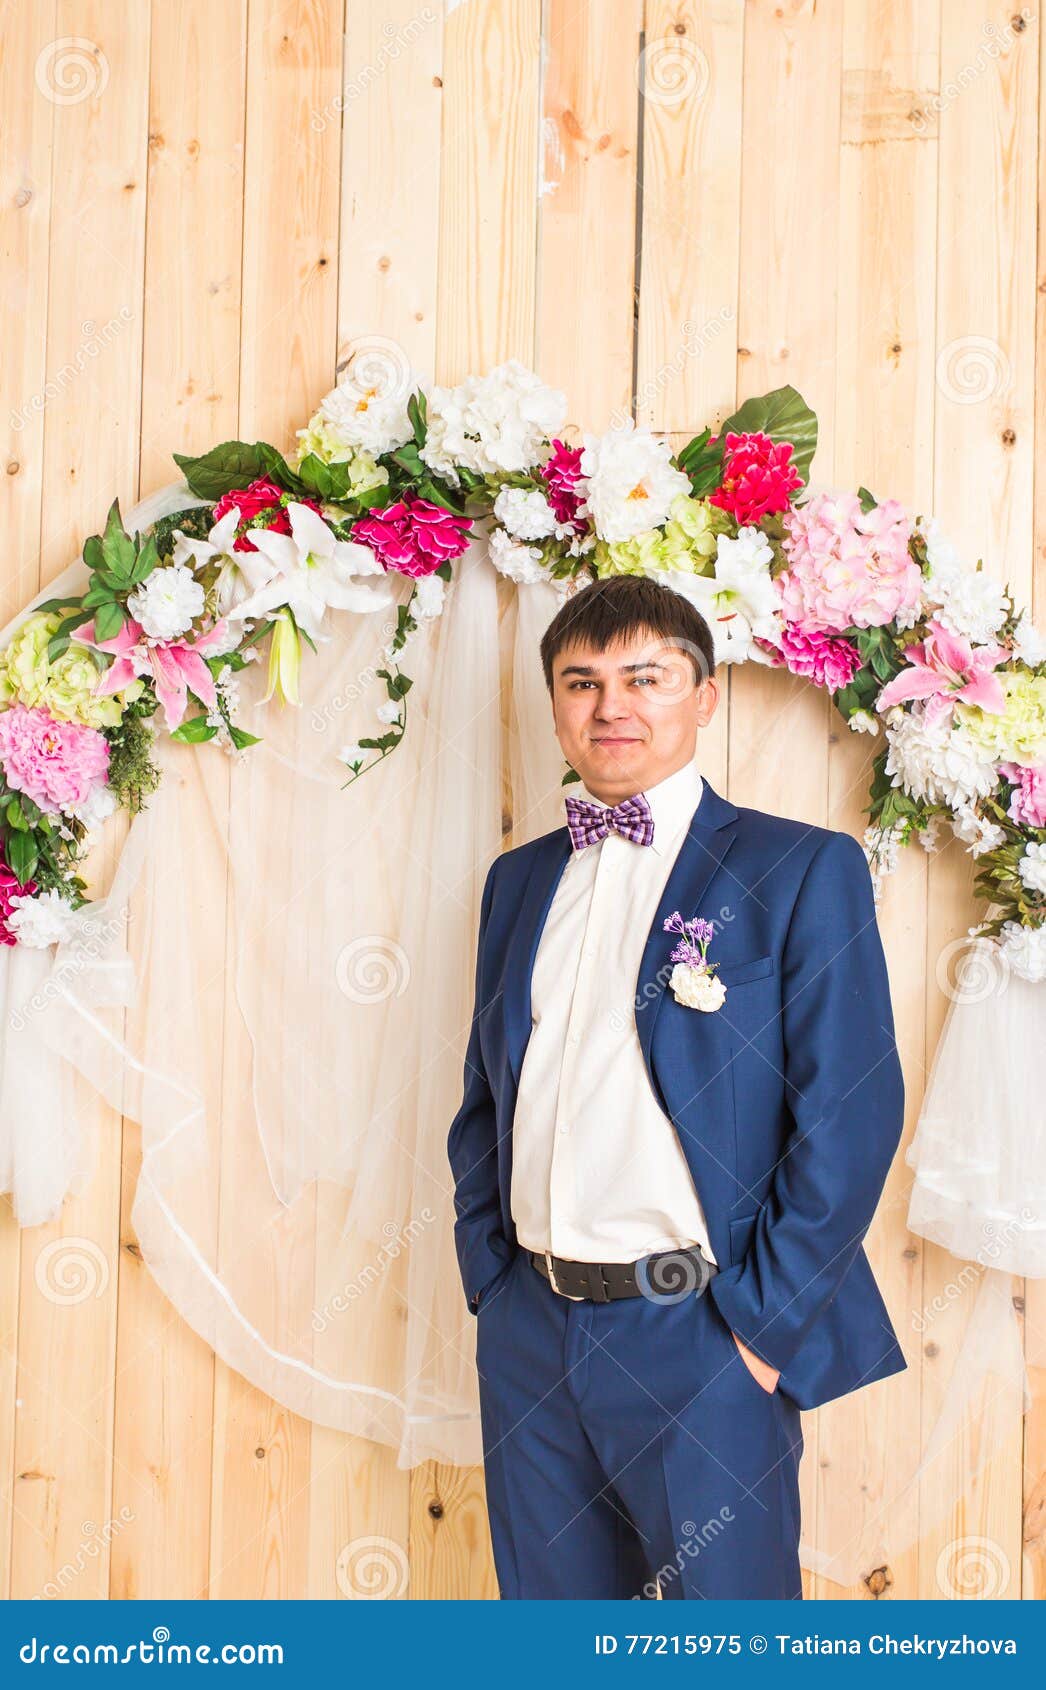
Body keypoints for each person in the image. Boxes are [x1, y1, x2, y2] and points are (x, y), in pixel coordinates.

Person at [447, 574, 906, 1600]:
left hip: (700, 1333)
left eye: (643, 677)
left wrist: (757, 1328)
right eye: (581, 681)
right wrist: (489, 1278)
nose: (611, 706)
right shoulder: (514, 882)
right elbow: (486, 1093)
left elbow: (851, 1108)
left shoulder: (796, 869)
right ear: (556, 704)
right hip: (528, 1331)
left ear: (701, 696)